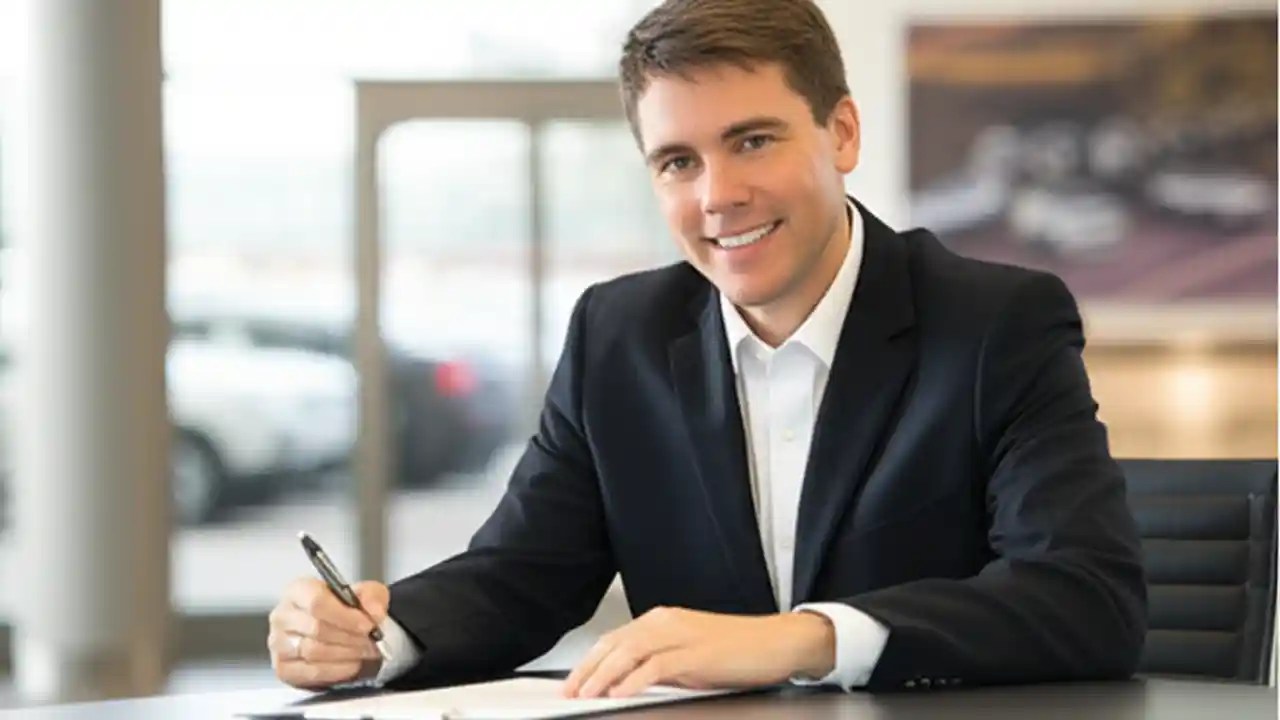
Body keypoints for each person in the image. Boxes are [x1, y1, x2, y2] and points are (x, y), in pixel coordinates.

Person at [267, 0, 1147, 697]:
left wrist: (795, 639)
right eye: (677, 162)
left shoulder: (997, 323)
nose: (718, 195)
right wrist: (375, 634)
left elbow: (1085, 599)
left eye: (752, 141)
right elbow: (524, 573)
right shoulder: (619, 336)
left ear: (840, 132)